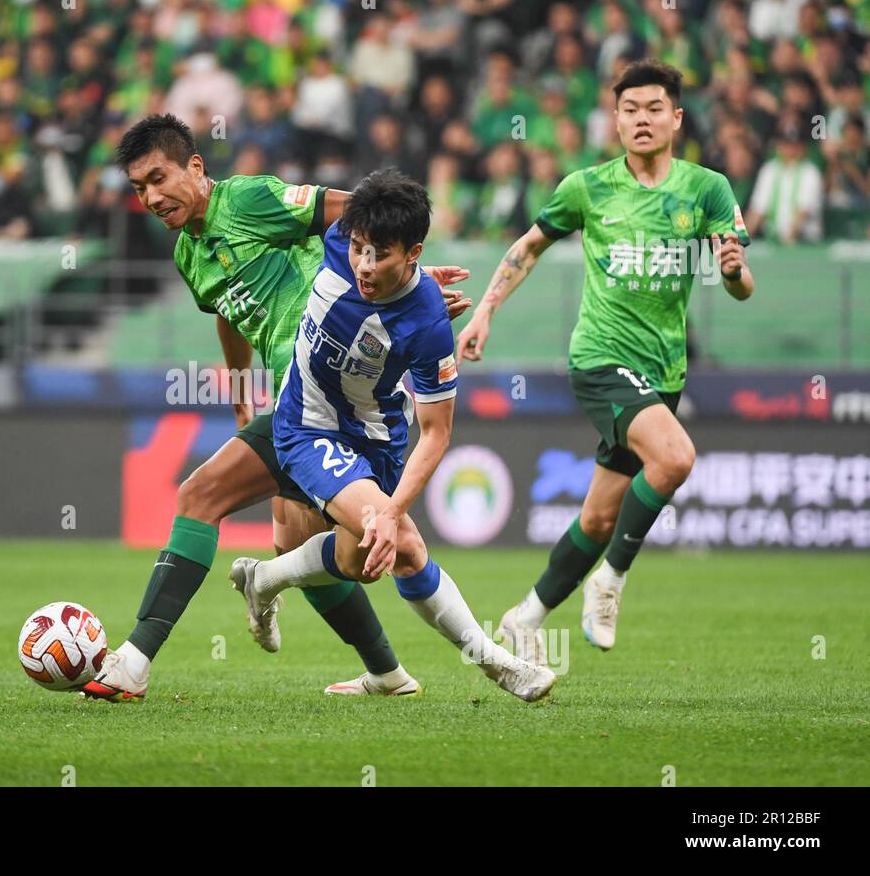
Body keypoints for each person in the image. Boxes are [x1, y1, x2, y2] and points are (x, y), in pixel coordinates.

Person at [83, 114, 471, 701]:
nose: (151, 196)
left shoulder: (250, 200)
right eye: (139, 189)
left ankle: (133, 662)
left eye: (158, 178)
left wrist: (401, 283)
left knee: (200, 495)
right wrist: (241, 398)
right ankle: (388, 674)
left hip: (327, 386)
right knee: (301, 548)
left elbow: (357, 208)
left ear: (194, 167)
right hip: (302, 403)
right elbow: (228, 315)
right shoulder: (190, 252)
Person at [455, 61, 754, 663]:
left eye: (653, 108)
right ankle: (610, 581)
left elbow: (742, 284)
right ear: (615, 121)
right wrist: (486, 309)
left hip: (664, 371)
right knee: (675, 457)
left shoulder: (708, 188)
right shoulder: (586, 187)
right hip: (599, 359)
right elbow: (528, 246)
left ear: (676, 117)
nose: (641, 119)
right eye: (629, 109)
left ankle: (526, 616)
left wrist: (733, 273)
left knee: (596, 519)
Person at [230, 168, 555, 703]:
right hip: (307, 425)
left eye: (380, 254)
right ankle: (498, 664)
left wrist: (389, 509)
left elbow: (436, 433)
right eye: (358, 248)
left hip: (379, 437)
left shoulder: (429, 323)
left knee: (362, 562)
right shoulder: (339, 236)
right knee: (405, 547)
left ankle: (264, 580)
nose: (363, 264)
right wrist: (392, 520)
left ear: (414, 252)